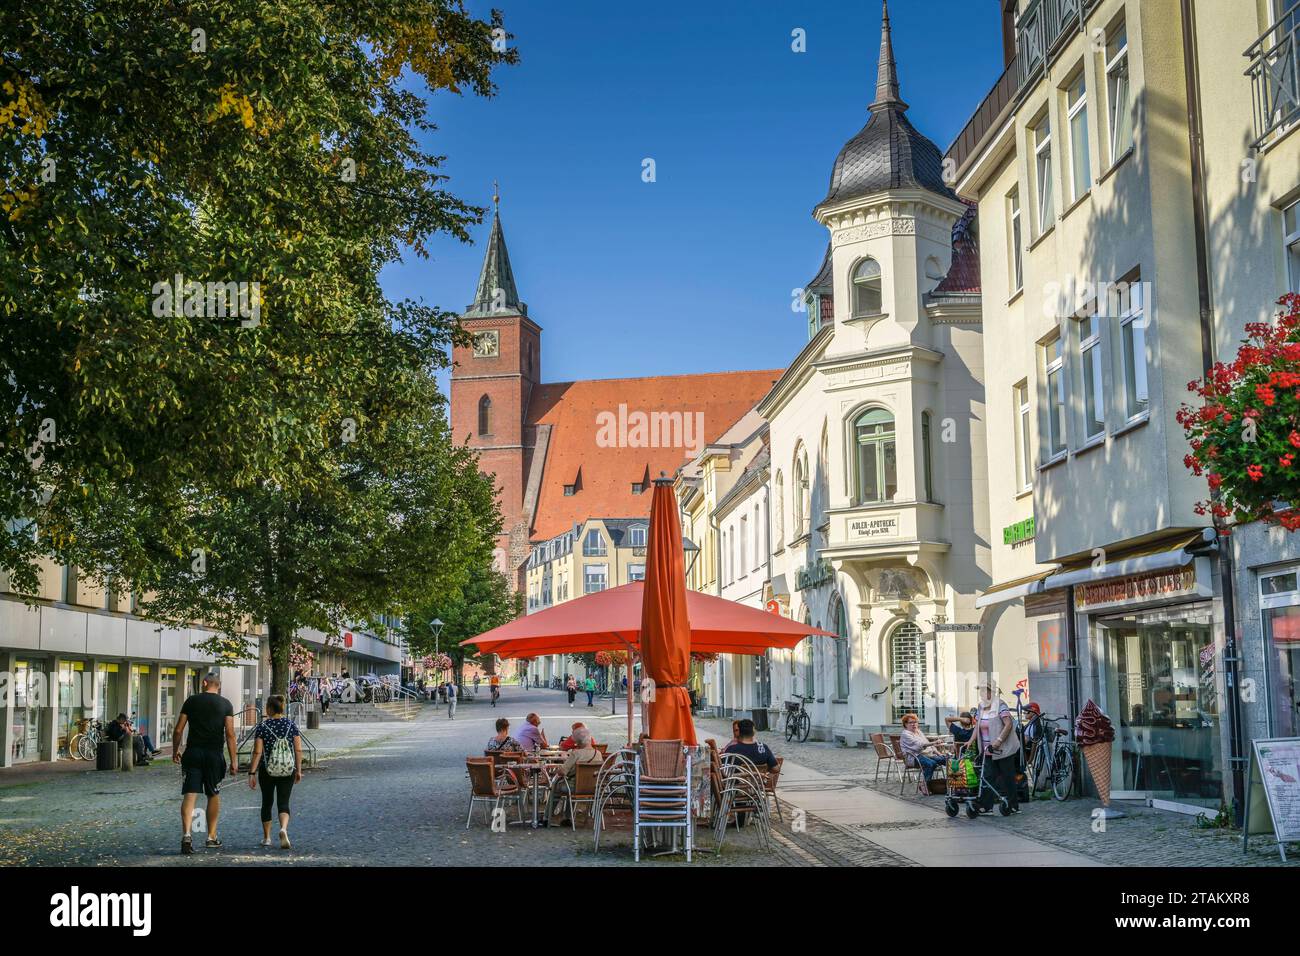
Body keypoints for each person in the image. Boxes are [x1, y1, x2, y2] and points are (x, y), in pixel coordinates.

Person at [173, 671, 238, 855]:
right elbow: (230, 734)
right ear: (218, 686)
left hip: (193, 753)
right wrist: (234, 760)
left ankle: (187, 835)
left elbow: (179, 729)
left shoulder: (191, 701)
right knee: (213, 794)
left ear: (204, 683)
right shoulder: (226, 704)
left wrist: (176, 749)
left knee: (190, 794)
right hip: (214, 755)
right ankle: (211, 836)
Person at [247, 694, 302, 849]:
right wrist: (298, 770)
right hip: (288, 769)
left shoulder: (263, 727)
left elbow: (257, 752)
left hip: (267, 770)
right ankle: (283, 828)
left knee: (267, 802)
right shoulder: (291, 725)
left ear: (270, 708)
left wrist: (252, 773)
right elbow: (298, 749)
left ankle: (267, 838)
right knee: (283, 802)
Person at [975, 682, 1021, 813]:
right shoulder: (981, 707)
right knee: (988, 777)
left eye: (985, 691)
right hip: (987, 749)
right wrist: (970, 741)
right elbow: (977, 726)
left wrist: (998, 741)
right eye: (981, 691)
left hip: (1003, 749)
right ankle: (986, 806)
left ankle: (1012, 805)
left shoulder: (1000, 705)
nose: (982, 694)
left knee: (1007, 777)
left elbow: (1008, 724)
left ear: (992, 692)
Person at [544, 727, 603, 825]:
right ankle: (568, 817)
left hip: (574, 787)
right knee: (572, 785)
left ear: (578, 742)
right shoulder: (598, 754)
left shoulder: (576, 753)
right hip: (593, 787)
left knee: (556, 786)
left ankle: (547, 817)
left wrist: (553, 772)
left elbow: (563, 771)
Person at [899, 713, 948, 789]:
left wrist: (938, 753)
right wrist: (934, 742)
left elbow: (928, 743)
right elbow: (919, 745)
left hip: (926, 755)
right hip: (913, 757)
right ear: (905, 724)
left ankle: (954, 783)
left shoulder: (918, 731)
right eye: (910, 722)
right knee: (931, 764)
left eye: (915, 722)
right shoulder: (906, 734)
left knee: (946, 760)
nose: (913, 724)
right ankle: (924, 785)